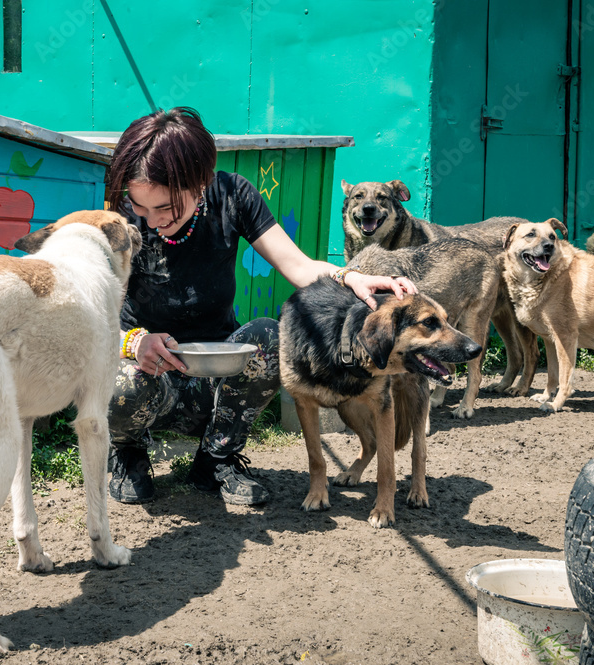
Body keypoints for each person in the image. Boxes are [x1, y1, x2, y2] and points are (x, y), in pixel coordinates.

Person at [105, 107, 415, 506]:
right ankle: (127, 453)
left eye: (164, 208)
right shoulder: (116, 216)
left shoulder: (232, 194)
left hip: (211, 376)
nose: (148, 223)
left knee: (270, 335)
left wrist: (350, 277)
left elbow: (299, 266)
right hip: (145, 374)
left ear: (200, 183)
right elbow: (89, 318)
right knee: (123, 381)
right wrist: (134, 343)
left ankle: (216, 458)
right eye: (140, 208)